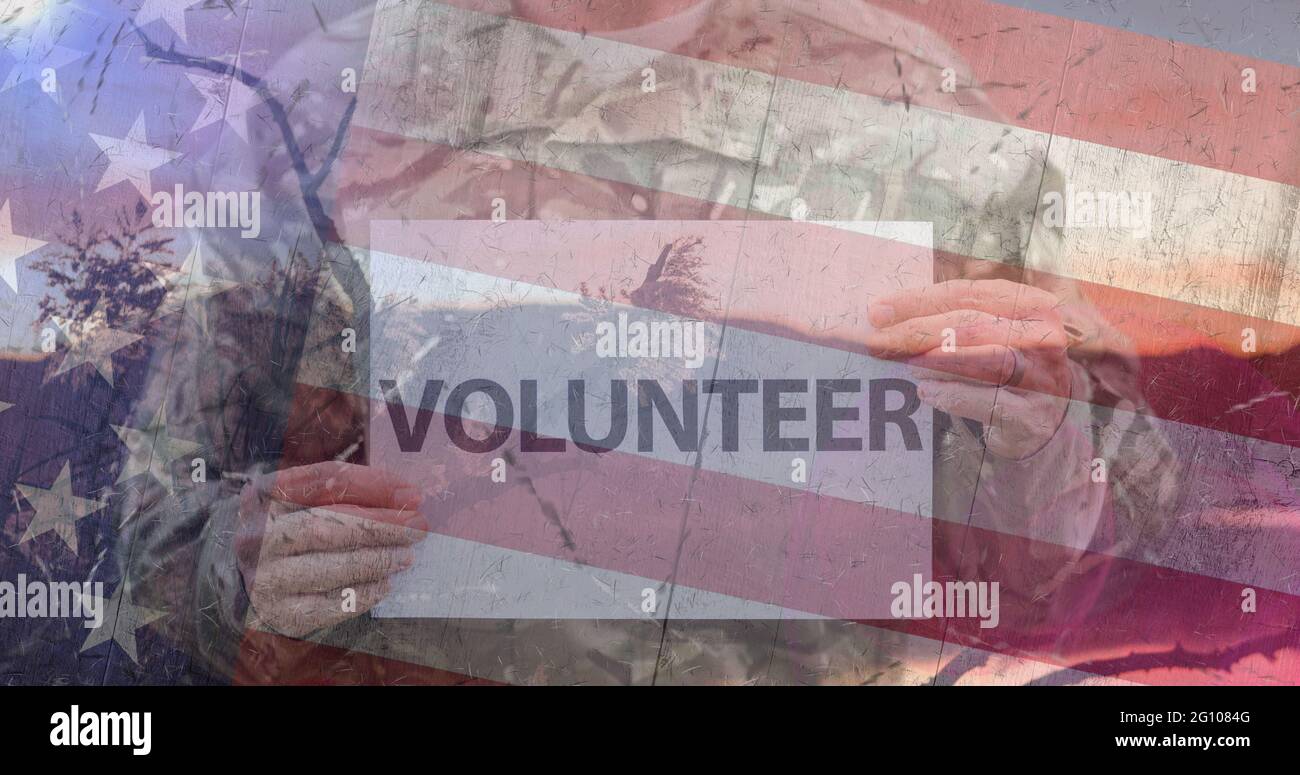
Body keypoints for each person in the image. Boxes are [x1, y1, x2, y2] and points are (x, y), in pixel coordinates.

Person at [119, 0, 1179, 684]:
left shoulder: (910, 106)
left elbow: (1105, 527)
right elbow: (164, 538)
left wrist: (1039, 450)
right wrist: (244, 568)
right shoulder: (313, 108)